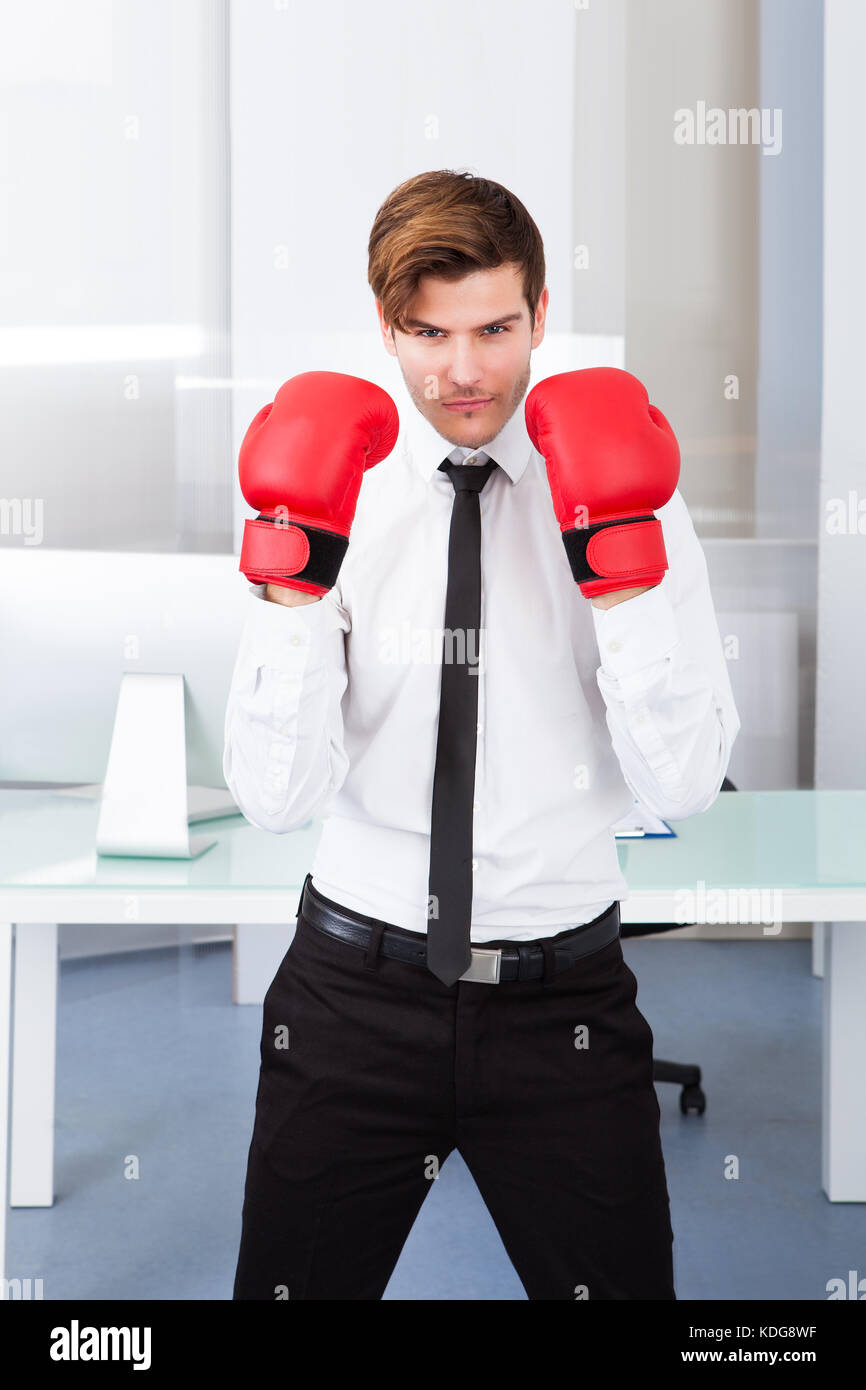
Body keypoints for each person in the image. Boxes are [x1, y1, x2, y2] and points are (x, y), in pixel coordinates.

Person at [224, 169, 740, 1301]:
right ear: (385, 326)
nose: (462, 370)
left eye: (496, 328)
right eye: (428, 333)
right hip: (349, 997)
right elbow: (275, 796)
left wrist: (623, 584)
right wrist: (292, 595)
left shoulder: (636, 492)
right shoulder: (322, 489)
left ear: (540, 314)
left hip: (560, 1004)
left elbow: (687, 780)